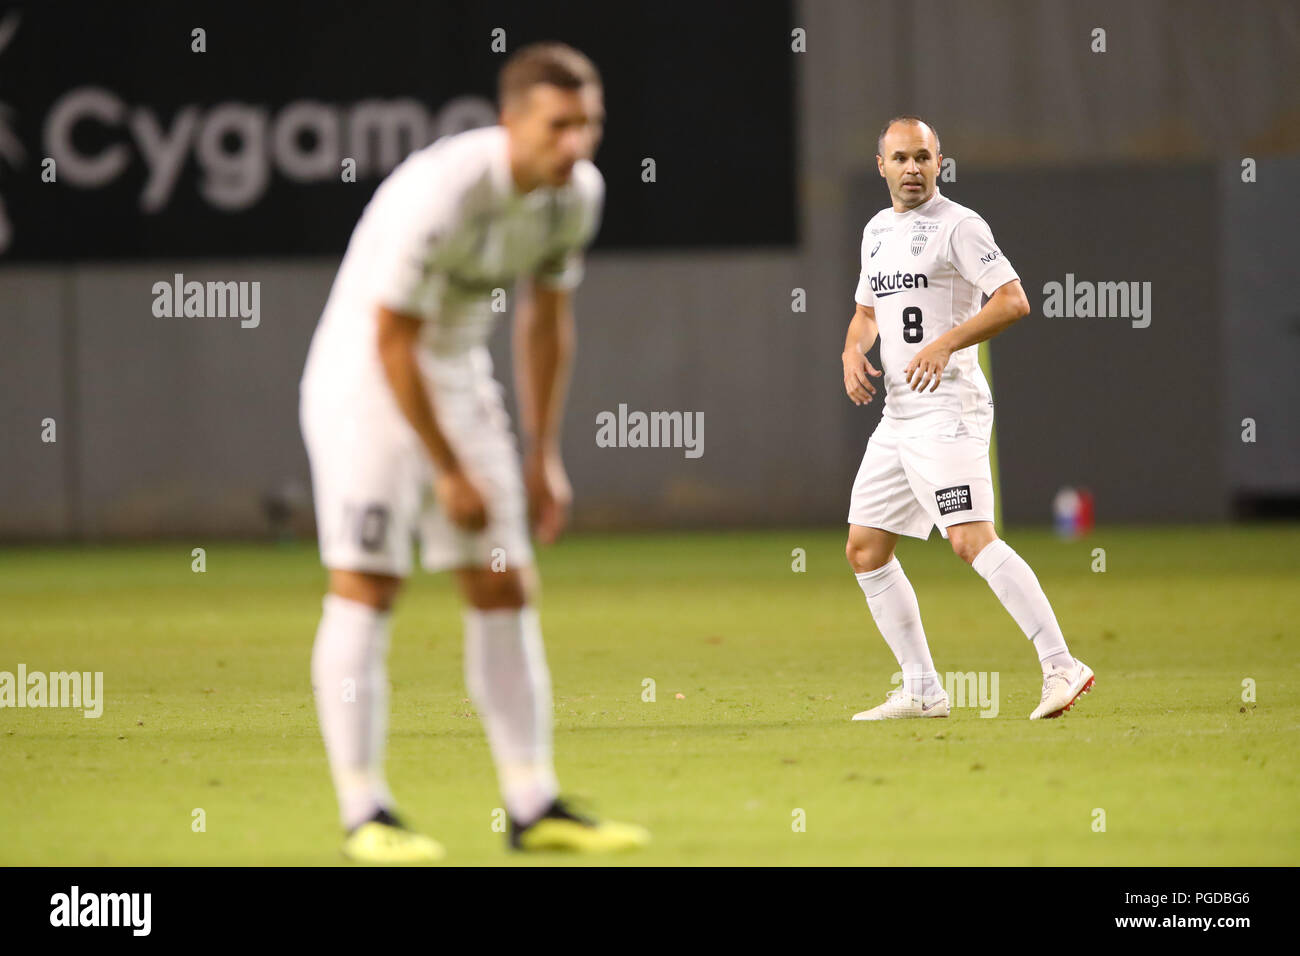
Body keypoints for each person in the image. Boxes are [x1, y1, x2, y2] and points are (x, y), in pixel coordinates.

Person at [299, 42, 649, 861]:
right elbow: (391, 339)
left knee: (502, 581)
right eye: (559, 126)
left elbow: (544, 319)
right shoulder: (444, 190)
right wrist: (449, 470)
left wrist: (542, 455)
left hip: (456, 373)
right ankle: (366, 813)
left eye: (590, 125)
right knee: (367, 585)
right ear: (511, 122)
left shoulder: (575, 197)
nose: (577, 144)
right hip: (366, 381)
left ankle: (533, 804)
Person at [842, 115, 1094, 722]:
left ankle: (1062, 664)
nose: (911, 169)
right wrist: (852, 347)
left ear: (939, 162)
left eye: (922, 158)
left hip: (948, 407)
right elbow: (867, 312)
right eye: (900, 158)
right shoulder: (876, 231)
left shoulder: (960, 226)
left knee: (969, 539)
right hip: (898, 414)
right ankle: (923, 689)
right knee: (866, 548)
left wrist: (946, 343)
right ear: (882, 165)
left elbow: (1013, 300)